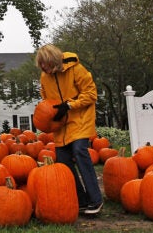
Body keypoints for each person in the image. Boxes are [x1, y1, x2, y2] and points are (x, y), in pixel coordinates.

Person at [35, 44, 104, 215]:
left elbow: (91, 94)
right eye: (41, 64)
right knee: (63, 160)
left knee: (80, 151)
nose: (43, 67)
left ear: (53, 60)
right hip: (61, 124)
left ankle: (96, 200)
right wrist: (51, 113)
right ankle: (81, 200)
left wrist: (69, 105)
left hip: (80, 118)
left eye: (45, 63)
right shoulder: (45, 77)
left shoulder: (75, 68)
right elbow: (47, 100)